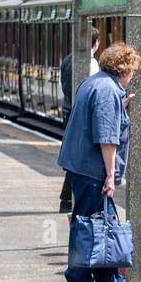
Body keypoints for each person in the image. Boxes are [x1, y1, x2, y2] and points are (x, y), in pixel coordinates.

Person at [56, 41, 139, 282]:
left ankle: (109, 278)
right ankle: (77, 280)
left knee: (104, 222)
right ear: (124, 69)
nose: (132, 76)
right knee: (86, 224)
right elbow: (106, 138)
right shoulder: (108, 91)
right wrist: (111, 176)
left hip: (81, 165)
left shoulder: (94, 83)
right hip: (92, 169)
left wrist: (120, 108)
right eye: (133, 71)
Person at [57, 27, 101, 213]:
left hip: (68, 108)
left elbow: (62, 86)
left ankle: (66, 199)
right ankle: (68, 199)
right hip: (82, 114)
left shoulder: (67, 59)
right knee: (81, 155)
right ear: (96, 43)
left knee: (74, 153)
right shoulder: (91, 64)